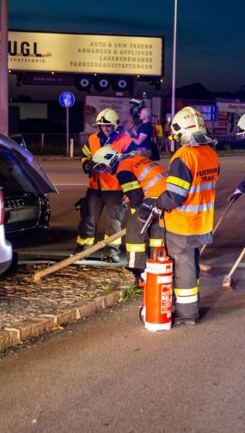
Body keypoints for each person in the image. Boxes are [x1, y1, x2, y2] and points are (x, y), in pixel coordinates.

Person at [138, 106, 219, 325]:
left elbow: (175, 195)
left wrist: (156, 204)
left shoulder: (184, 156)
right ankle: (191, 305)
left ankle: (187, 314)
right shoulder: (210, 154)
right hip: (202, 223)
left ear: (183, 131)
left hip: (182, 224)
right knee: (191, 265)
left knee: (184, 269)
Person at [91, 145, 167, 286]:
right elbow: (139, 185)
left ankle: (135, 271)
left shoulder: (122, 170)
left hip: (155, 197)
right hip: (166, 197)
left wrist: (136, 219)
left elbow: (136, 199)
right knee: (156, 231)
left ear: (110, 159)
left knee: (133, 230)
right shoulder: (133, 159)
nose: (103, 171)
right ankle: (157, 265)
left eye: (102, 166)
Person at [76, 109, 133, 261]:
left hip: (115, 189)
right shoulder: (92, 139)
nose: (106, 129)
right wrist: (87, 165)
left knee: (113, 222)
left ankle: (112, 252)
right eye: (102, 126)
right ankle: (83, 249)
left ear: (115, 125)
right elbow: (85, 156)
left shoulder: (125, 141)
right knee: (88, 218)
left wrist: (113, 169)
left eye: (109, 126)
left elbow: (132, 165)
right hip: (95, 187)